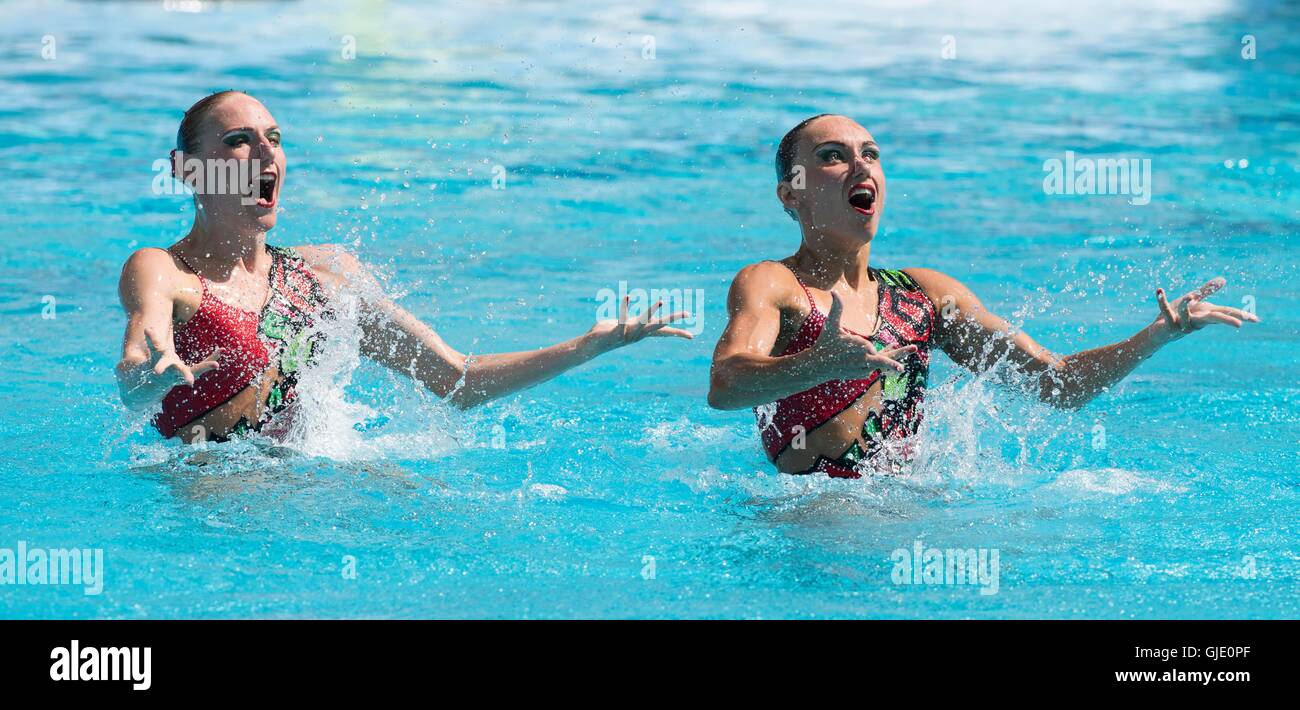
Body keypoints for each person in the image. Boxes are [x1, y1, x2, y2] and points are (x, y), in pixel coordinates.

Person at [116, 90, 692, 443]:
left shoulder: (323, 278)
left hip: (299, 486)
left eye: (275, 137)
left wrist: (585, 347)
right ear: (188, 170)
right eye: (239, 140)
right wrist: (151, 378)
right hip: (204, 500)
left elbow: (455, 380)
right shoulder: (164, 270)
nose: (267, 153)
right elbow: (136, 369)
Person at [708, 114, 1259, 478]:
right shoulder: (773, 284)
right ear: (791, 194)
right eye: (833, 155)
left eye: (870, 153)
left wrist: (1157, 335)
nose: (861, 165)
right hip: (805, 525)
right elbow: (726, 385)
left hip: (907, 514)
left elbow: (1054, 383)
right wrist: (817, 364)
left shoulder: (925, 295)